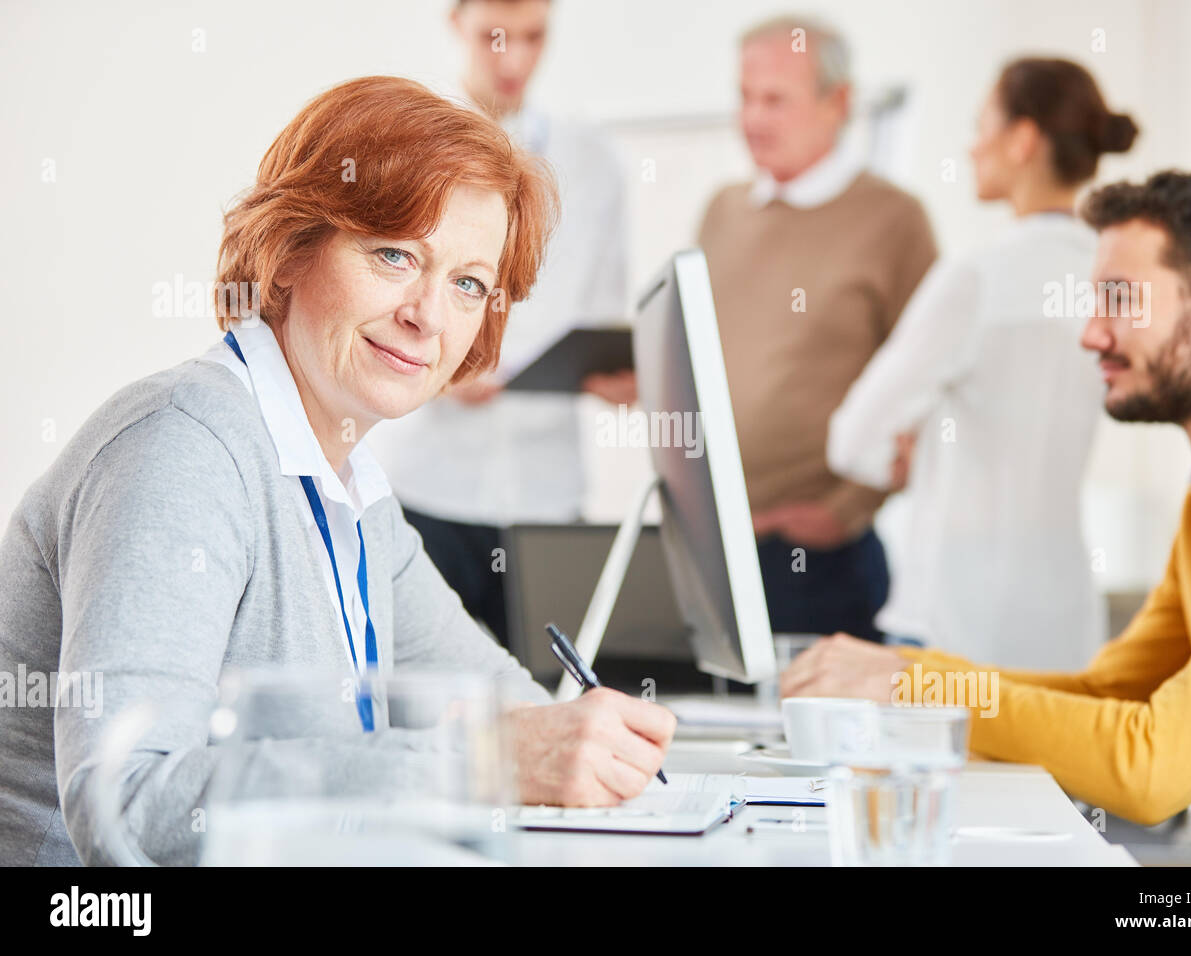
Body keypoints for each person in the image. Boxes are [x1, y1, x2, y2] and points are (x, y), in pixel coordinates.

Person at [0, 77, 675, 867]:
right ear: (287, 253)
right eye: (394, 255)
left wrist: (622, 756)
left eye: (467, 284)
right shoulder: (180, 446)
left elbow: (503, 703)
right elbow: (133, 808)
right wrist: (478, 765)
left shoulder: (348, 490)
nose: (429, 315)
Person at [783, 171, 1191, 867]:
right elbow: (1112, 693)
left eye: (1119, 301)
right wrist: (906, 672)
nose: (1091, 335)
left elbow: (1157, 770)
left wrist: (912, 685)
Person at [827, 58, 1138, 670]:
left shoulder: (977, 278)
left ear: (1022, 140)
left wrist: (910, 452)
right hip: (1063, 624)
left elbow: (850, 441)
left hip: (953, 621)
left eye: (981, 127)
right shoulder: (1111, 280)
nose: (971, 148)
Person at [365, 0, 631, 646]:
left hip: (547, 497)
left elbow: (605, 313)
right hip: (431, 489)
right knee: (420, 699)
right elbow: (370, 297)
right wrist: (439, 372)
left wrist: (616, 374)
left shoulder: (593, 165)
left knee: (546, 695)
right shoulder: (407, 147)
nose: (514, 60)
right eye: (494, 37)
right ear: (455, 22)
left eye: (534, 37)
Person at [697, 16, 937, 639]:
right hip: (709, 546)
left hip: (817, 562)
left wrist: (848, 511)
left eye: (775, 99)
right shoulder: (723, 212)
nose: (753, 118)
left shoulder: (894, 221)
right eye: (745, 97)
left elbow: (928, 386)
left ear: (839, 103)